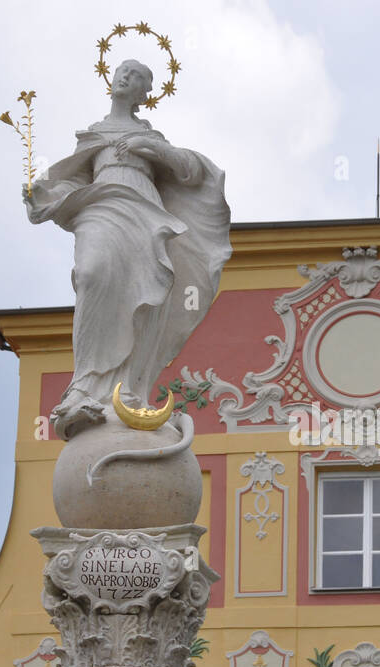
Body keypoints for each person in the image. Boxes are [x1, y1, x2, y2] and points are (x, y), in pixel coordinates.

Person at [24, 59, 230, 439]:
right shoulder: (94, 134)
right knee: (91, 273)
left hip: (142, 210)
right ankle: (85, 384)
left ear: (144, 92)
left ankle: (127, 388)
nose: (124, 77)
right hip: (100, 206)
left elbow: (192, 172)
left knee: (142, 291)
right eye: (122, 71)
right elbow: (67, 178)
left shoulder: (151, 136)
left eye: (135, 76)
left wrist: (151, 150)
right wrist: (44, 195)